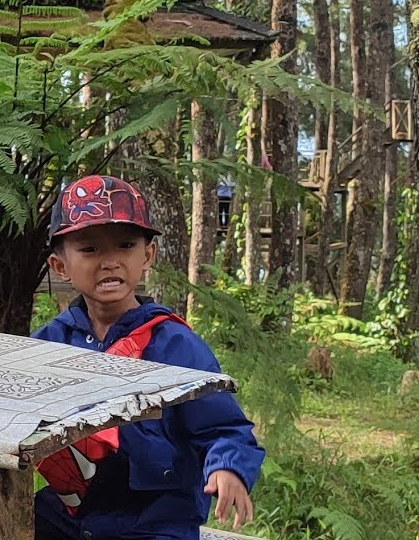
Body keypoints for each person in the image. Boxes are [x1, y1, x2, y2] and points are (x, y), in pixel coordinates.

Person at [31, 175, 265, 540]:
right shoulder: (51, 342)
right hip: (71, 509)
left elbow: (224, 428)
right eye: (90, 249)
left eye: (125, 245)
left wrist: (228, 468)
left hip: (155, 518)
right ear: (60, 266)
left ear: (147, 256)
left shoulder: (174, 344)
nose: (109, 261)